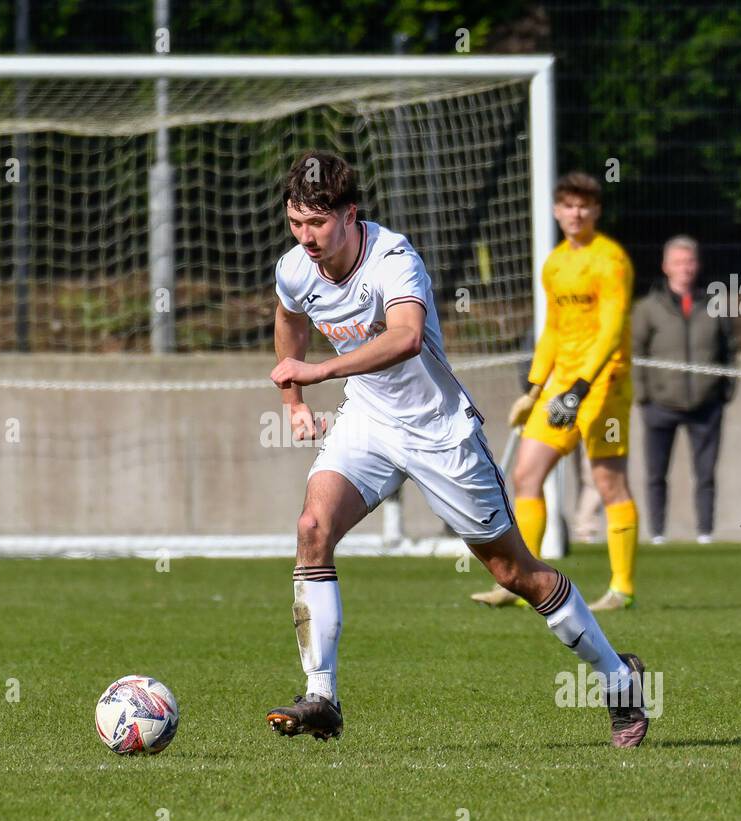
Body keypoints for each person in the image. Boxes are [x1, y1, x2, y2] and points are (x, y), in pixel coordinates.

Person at [266, 151, 649, 747]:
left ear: (349, 214)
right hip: (368, 420)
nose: (306, 237)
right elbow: (289, 318)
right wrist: (292, 402)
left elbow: (407, 337)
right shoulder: (295, 267)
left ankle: (620, 680)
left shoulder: (394, 259)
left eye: (317, 222)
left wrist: (317, 373)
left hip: (440, 431)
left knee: (517, 573)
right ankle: (322, 695)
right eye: (296, 222)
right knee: (312, 526)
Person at [470, 171, 639, 612]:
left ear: (596, 211)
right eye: (567, 204)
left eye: (584, 205)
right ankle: (521, 583)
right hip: (561, 386)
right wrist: (534, 388)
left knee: (608, 482)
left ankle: (622, 588)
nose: (575, 212)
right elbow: (552, 332)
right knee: (525, 476)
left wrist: (582, 386)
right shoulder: (555, 263)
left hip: (605, 384)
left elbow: (612, 328)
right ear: (556, 210)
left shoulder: (611, 260)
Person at [632, 235, 737, 544]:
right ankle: (658, 533)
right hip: (660, 405)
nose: (684, 268)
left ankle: (705, 532)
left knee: (705, 473)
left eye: (689, 261)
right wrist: (644, 397)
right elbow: (636, 352)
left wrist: (725, 391)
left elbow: (729, 350)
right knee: (656, 474)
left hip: (706, 404)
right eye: (678, 262)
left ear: (697, 265)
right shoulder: (649, 308)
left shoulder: (714, 306)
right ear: (666, 266)